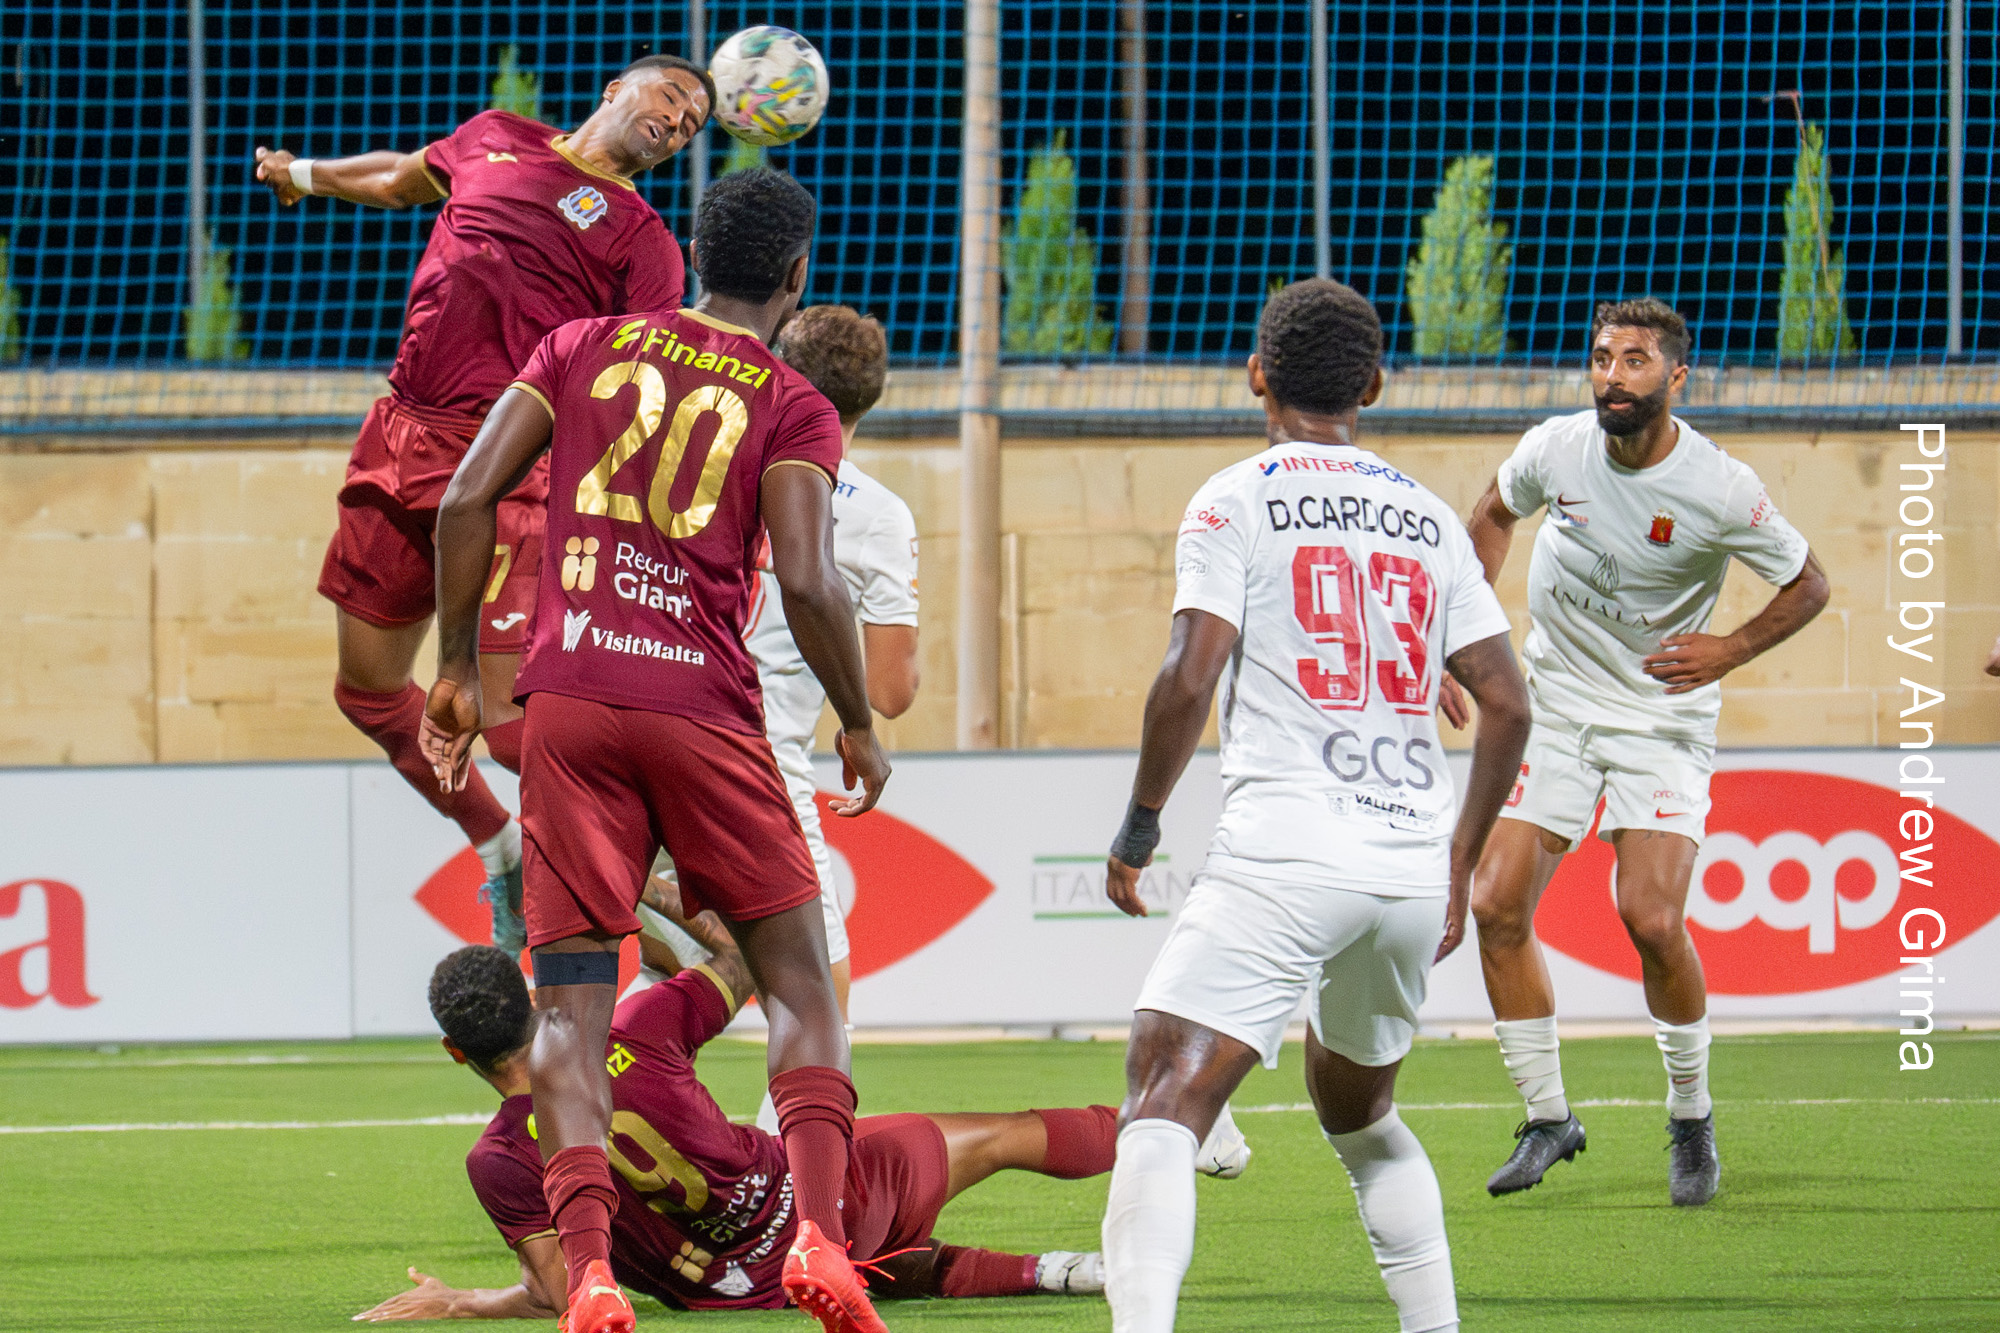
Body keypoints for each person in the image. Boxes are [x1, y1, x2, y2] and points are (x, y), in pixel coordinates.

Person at [419, 169, 893, 1333]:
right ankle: (822, 1243)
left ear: (688, 249)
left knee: (573, 1009)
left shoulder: (582, 343)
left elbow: (465, 498)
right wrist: (859, 717)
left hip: (569, 702)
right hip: (698, 707)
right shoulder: (792, 402)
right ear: (793, 275)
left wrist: (449, 672)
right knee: (797, 978)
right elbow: (805, 575)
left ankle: (587, 1277)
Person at [1097, 279, 1531, 1333]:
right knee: (1363, 1116)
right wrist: (1456, 864)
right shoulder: (1428, 516)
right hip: (1401, 866)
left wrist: (1141, 822)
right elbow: (1508, 702)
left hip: (1286, 848)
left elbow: (1187, 676)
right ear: (1375, 386)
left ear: (1255, 375)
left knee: (1159, 1102)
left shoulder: (1234, 496)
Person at [252, 54, 713, 949]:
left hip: (513, 473)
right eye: (671, 97)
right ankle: (501, 844)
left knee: (506, 720)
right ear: (616, 87)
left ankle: (674, 899)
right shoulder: (496, 136)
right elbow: (395, 179)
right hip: (402, 438)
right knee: (371, 692)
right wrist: (300, 175)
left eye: (694, 122)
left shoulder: (643, 241)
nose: (680, 121)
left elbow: (643, 378)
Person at [1460, 297, 1828, 1206]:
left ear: (1675, 376)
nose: (1611, 375)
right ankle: (1550, 1117)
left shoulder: (1720, 487)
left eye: (1633, 360)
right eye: (1601, 358)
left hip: (1660, 717)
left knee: (1653, 920)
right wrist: (1463, 638)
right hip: (1554, 705)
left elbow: (1811, 583)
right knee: (1494, 901)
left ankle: (1692, 1116)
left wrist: (1731, 648)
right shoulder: (1556, 449)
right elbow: (1492, 515)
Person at [353, 939, 1118, 1321]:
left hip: (743, 1294)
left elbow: (562, 1290)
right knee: (1006, 1135)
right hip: (822, 1198)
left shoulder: (495, 1158)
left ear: (457, 1051)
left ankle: (1062, 1271)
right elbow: (741, 952)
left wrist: (466, 1302)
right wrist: (653, 895)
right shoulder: (637, 1026)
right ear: (533, 992)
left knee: (901, 1266)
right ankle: (1169, 1130)